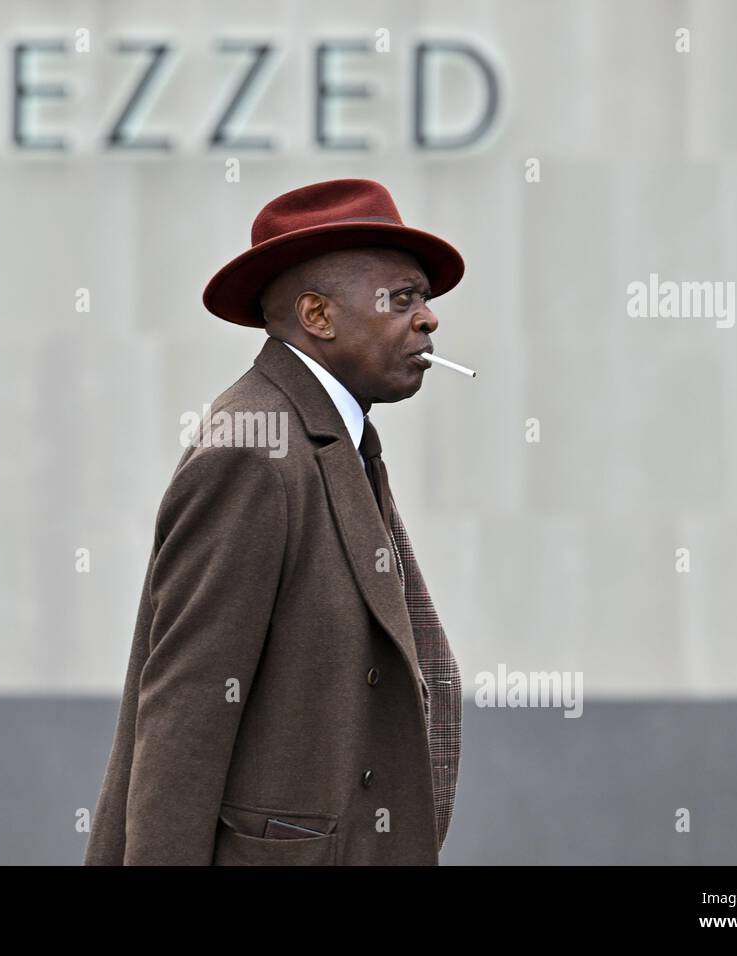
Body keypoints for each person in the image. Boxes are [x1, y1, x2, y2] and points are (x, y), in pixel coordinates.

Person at [84, 178, 467, 865]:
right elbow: (186, 713)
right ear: (318, 315)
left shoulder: (326, 438)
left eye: (426, 299)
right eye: (402, 298)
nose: (430, 318)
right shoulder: (253, 452)